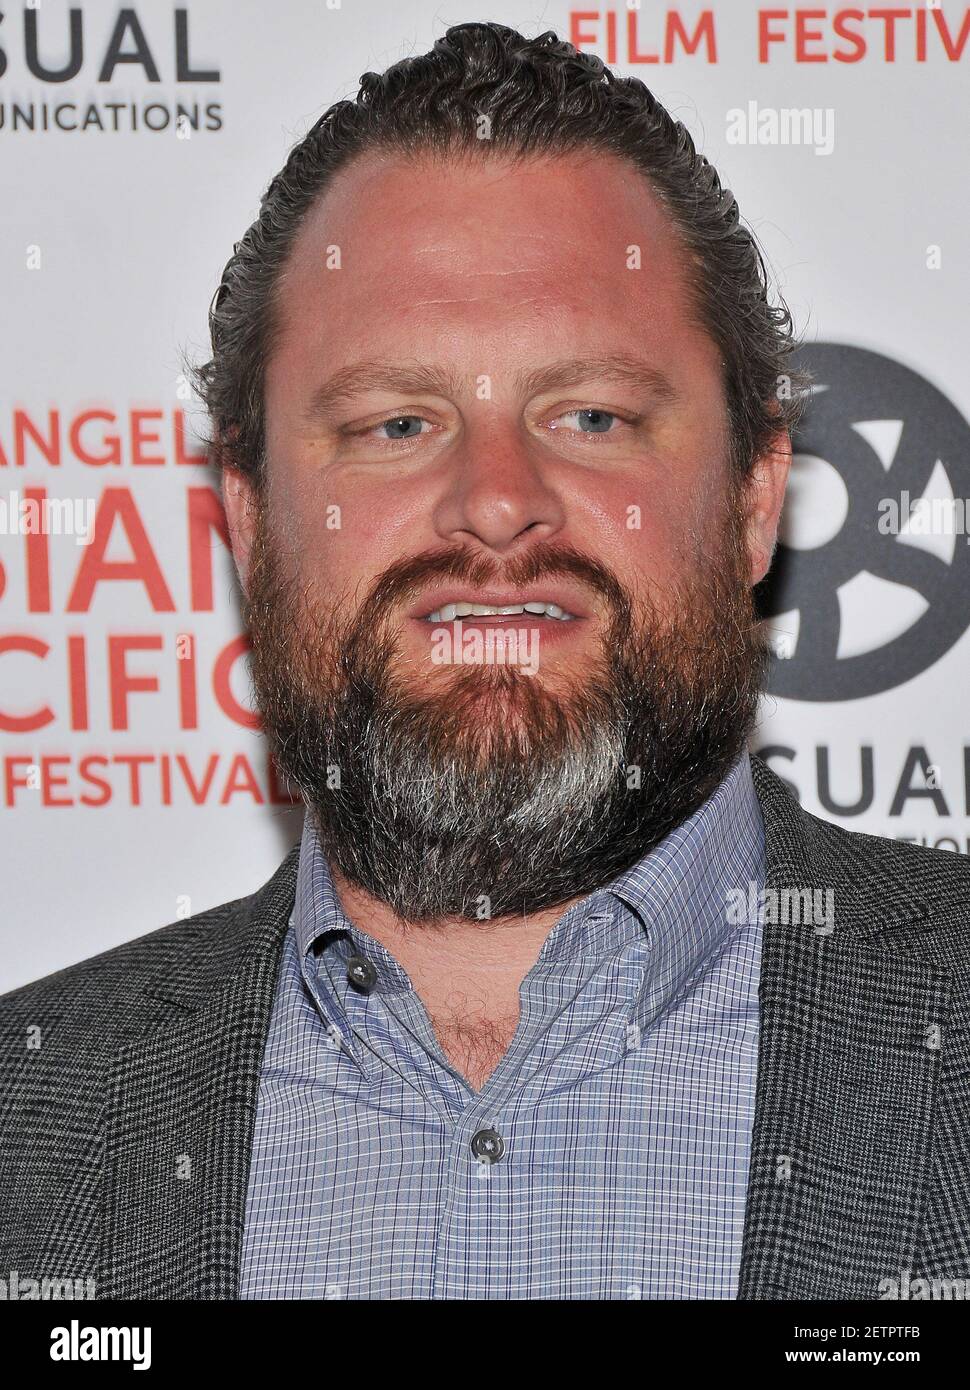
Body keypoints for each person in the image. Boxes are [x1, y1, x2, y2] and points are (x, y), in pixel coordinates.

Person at [2, 21, 968, 1302]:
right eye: (397, 422)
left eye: (591, 416)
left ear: (752, 496)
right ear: (246, 514)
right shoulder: (31, 1114)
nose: (498, 502)